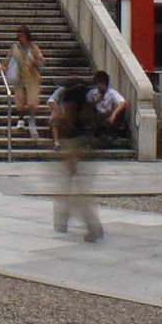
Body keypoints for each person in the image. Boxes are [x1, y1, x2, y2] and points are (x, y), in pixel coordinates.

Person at [49, 79, 103, 243]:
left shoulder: (70, 95)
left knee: (73, 188)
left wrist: (61, 118)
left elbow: (68, 116)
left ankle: (93, 226)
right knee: (67, 184)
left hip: (73, 144)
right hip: (81, 142)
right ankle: (62, 220)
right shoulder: (85, 95)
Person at [6, 25, 45, 139]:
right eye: (20, 35)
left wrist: (35, 62)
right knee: (19, 100)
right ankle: (21, 119)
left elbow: (41, 60)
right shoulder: (15, 47)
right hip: (19, 77)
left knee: (32, 101)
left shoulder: (34, 48)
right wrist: (3, 66)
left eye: (23, 35)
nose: (21, 37)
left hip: (32, 78)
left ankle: (31, 119)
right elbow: (8, 59)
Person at [86, 70, 131, 146]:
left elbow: (123, 102)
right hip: (96, 115)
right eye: (99, 83)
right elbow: (86, 105)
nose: (100, 86)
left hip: (107, 115)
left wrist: (113, 115)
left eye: (102, 83)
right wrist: (96, 101)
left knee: (121, 111)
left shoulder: (111, 93)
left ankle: (112, 133)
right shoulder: (92, 93)